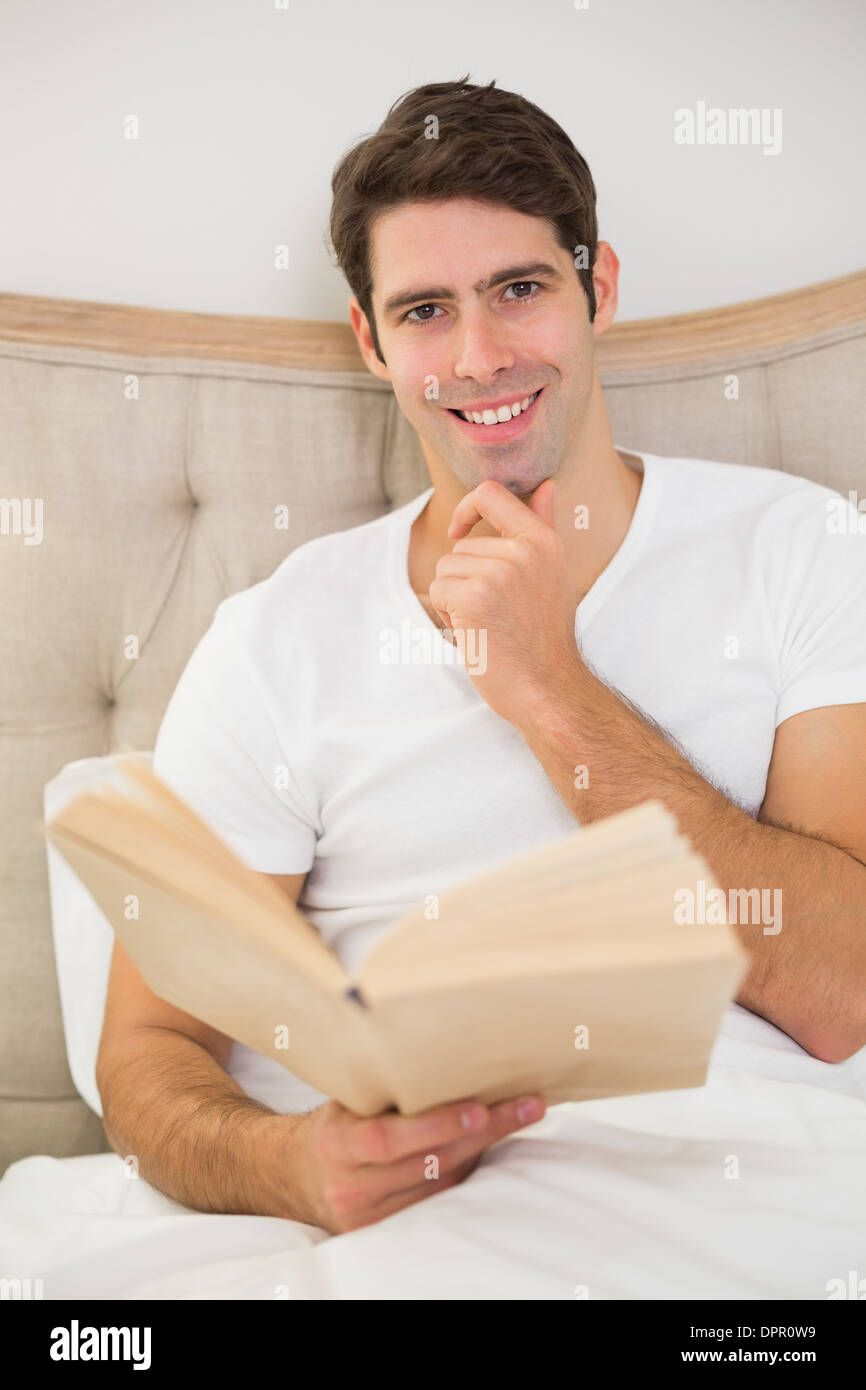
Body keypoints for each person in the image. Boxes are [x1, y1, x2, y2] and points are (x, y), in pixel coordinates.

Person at [96, 76, 866, 1236]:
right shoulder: (273, 640)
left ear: (595, 286)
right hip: (431, 1222)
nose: (478, 356)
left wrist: (549, 687)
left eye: (518, 289)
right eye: (422, 311)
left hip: (755, 1190)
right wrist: (287, 1165)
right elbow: (149, 1049)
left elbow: (839, 991)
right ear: (369, 339)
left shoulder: (799, 549)